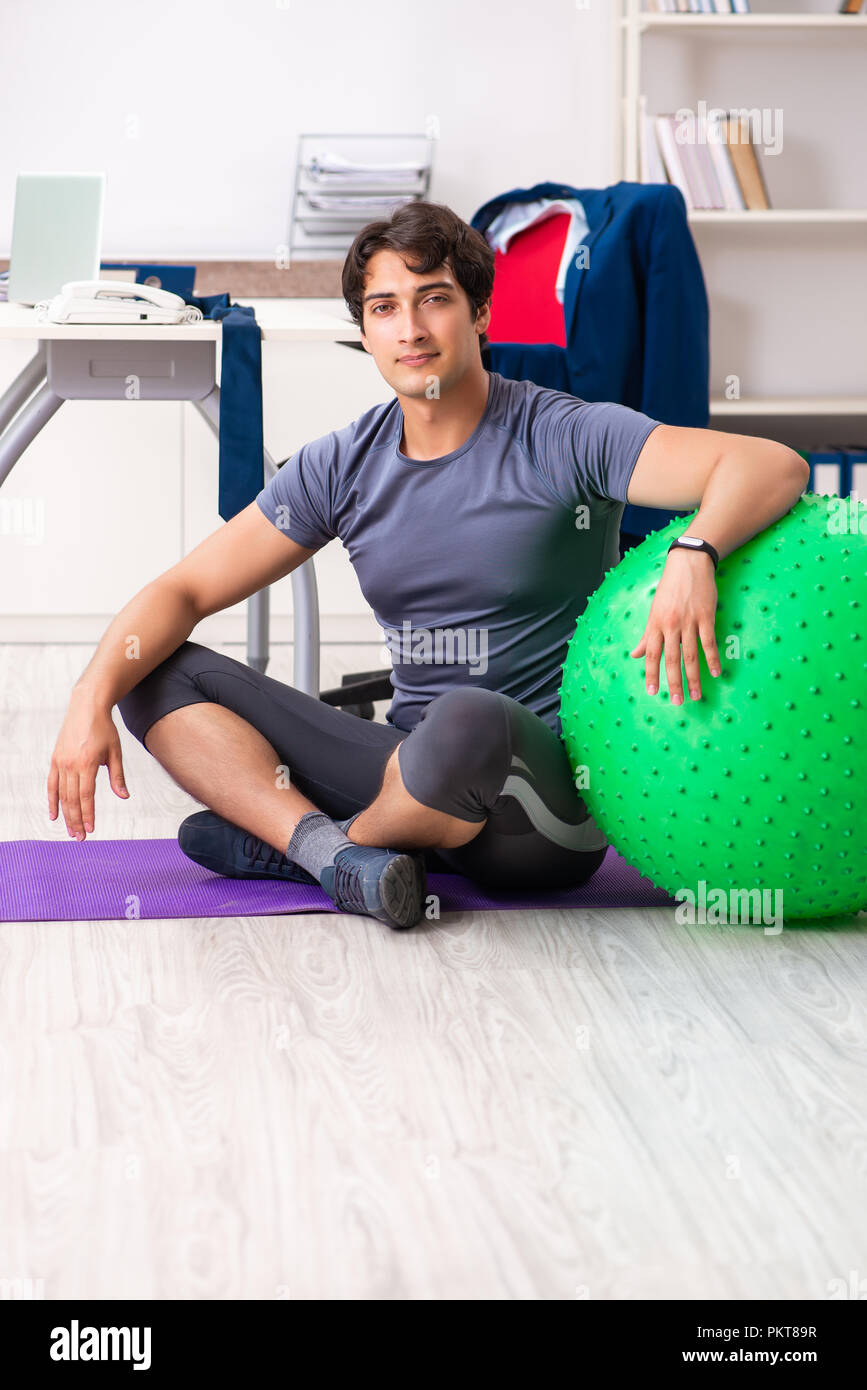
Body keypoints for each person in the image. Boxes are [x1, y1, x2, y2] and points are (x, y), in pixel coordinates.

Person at [47, 201, 809, 931]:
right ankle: (340, 856)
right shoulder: (342, 464)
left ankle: (308, 848)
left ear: (479, 313)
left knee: (468, 715)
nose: (409, 329)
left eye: (432, 299)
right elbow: (183, 588)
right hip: (405, 769)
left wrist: (695, 548)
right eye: (383, 308)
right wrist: (89, 700)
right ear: (365, 333)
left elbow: (769, 465)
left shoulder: (565, 433)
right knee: (148, 668)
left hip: (540, 806)